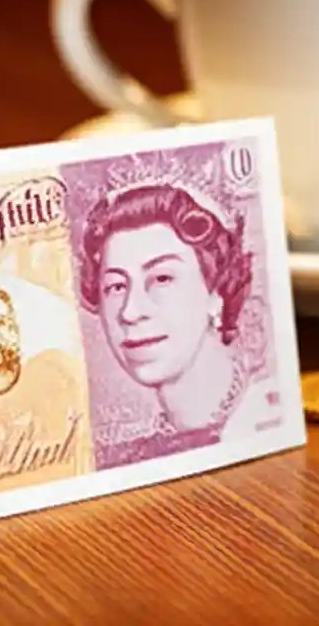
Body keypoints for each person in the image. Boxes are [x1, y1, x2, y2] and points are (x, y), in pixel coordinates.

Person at [77, 183, 257, 452]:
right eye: (116, 286)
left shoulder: (258, 417)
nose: (130, 312)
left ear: (216, 291)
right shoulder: (144, 450)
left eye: (162, 278)